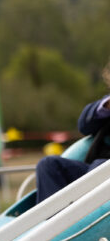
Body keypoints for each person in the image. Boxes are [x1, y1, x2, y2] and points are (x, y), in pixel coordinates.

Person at [35, 60, 110, 202]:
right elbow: (84, 126)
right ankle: (51, 219)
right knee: (48, 165)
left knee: (99, 166)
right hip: (95, 172)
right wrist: (106, 106)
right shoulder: (106, 105)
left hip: (102, 170)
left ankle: (82, 221)